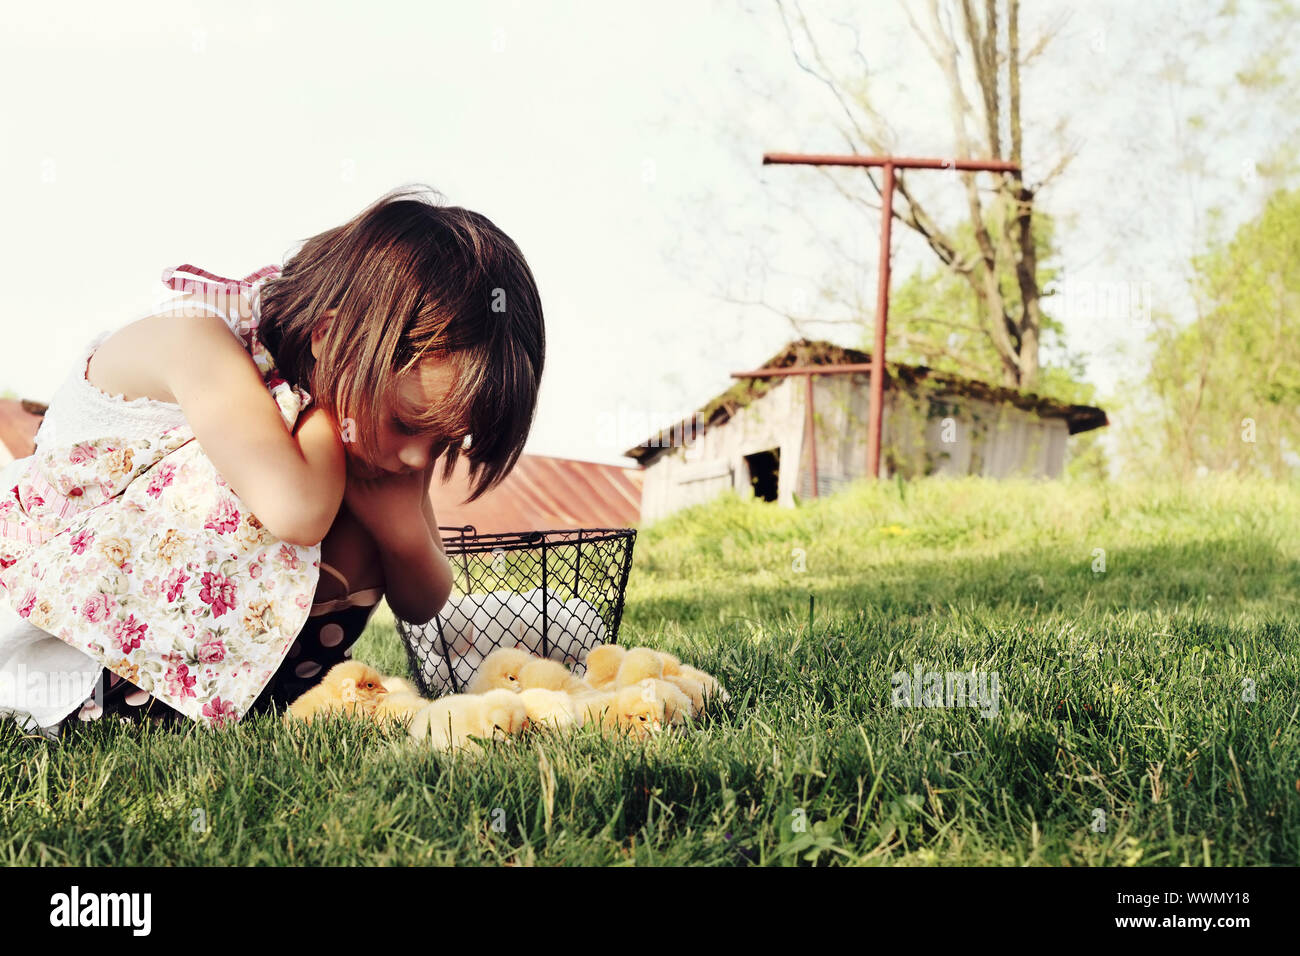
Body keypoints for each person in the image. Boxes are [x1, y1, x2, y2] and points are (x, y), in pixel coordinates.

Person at [0, 184, 546, 735]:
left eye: (444, 441)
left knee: (358, 503)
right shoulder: (195, 338)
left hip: (194, 655)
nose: (414, 458)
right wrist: (328, 432)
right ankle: (143, 702)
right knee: (308, 486)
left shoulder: (372, 412)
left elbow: (424, 600)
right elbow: (295, 513)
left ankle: (255, 695)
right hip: (66, 643)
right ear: (329, 337)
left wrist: (401, 530)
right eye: (407, 425)